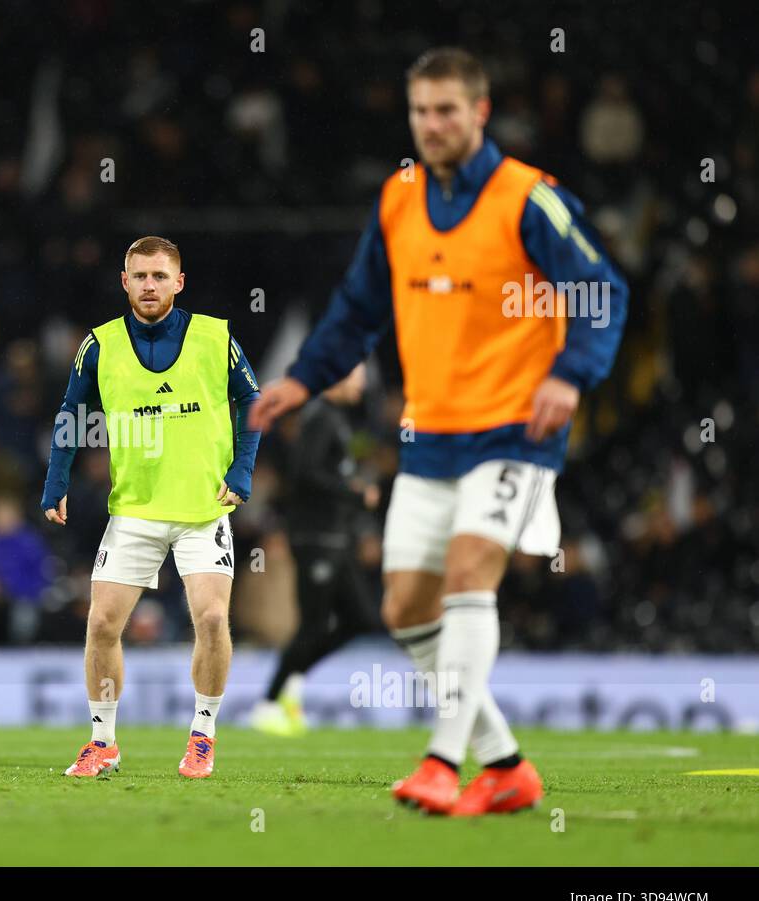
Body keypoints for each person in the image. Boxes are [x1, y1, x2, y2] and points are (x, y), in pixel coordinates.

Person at [251, 48, 628, 815]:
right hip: (431, 436)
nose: (432, 124)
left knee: (467, 576)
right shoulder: (399, 197)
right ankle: (505, 765)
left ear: (480, 111)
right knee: (405, 612)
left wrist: (571, 372)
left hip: (515, 430)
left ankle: (440, 762)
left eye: (447, 110)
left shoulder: (529, 198)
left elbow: (601, 288)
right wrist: (303, 377)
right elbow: (359, 306)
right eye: (421, 110)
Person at [41, 235, 262, 779]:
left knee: (211, 618)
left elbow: (253, 400)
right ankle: (102, 742)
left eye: (160, 276)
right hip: (134, 509)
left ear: (178, 282)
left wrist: (242, 470)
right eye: (139, 276)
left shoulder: (216, 336)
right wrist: (57, 479)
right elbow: (71, 411)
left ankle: (203, 735)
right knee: (101, 626)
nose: (149, 285)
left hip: (204, 508)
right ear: (124, 281)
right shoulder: (99, 344)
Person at [250, 363, 383, 736]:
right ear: (336, 376)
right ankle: (270, 702)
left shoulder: (335, 418)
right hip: (315, 537)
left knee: (361, 618)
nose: (362, 380)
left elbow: (323, 471)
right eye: (355, 372)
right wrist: (355, 492)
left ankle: (292, 682)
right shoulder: (320, 415)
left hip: (335, 537)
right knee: (313, 624)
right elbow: (304, 473)